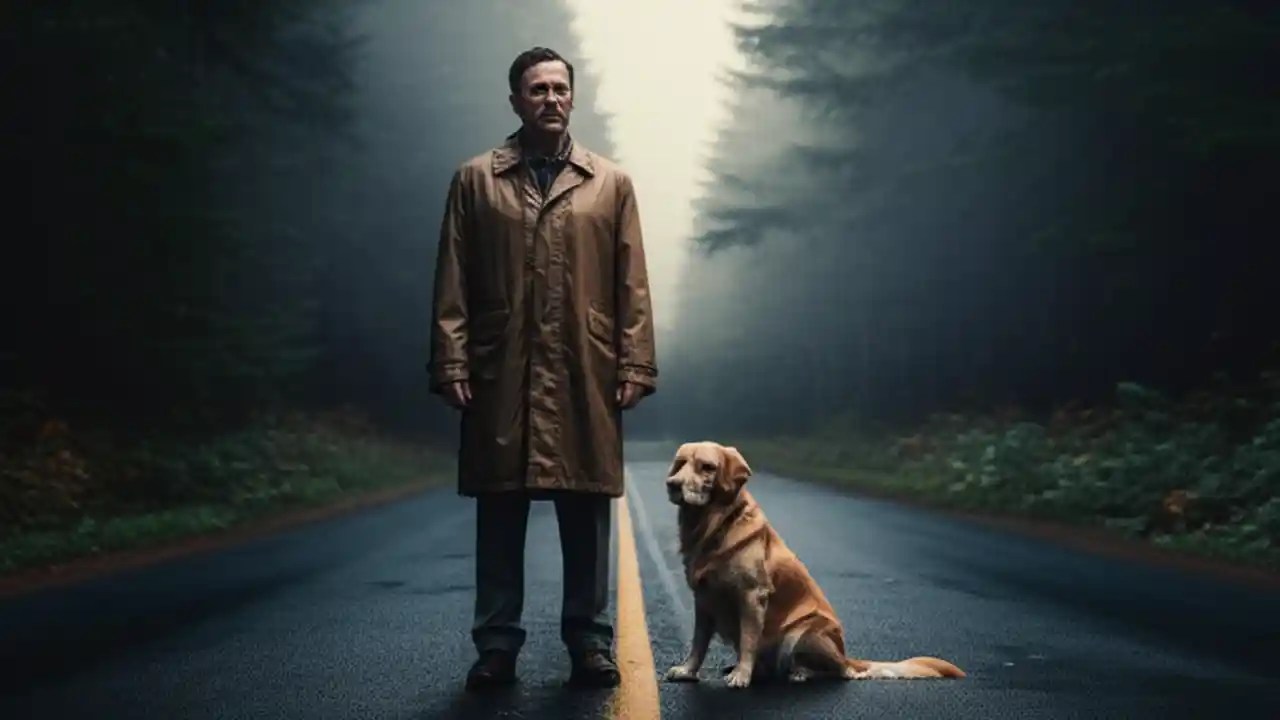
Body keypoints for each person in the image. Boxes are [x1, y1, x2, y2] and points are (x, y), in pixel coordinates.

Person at [427, 46, 658, 691]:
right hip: (501, 363)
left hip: (585, 362)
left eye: (560, 88)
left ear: (572, 98)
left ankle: (590, 641)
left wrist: (636, 359)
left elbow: (633, 282)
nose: (551, 99)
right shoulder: (475, 180)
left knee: (586, 502)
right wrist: (451, 356)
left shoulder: (610, 183)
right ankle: (496, 645)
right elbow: (453, 277)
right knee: (500, 506)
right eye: (537, 90)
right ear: (515, 101)